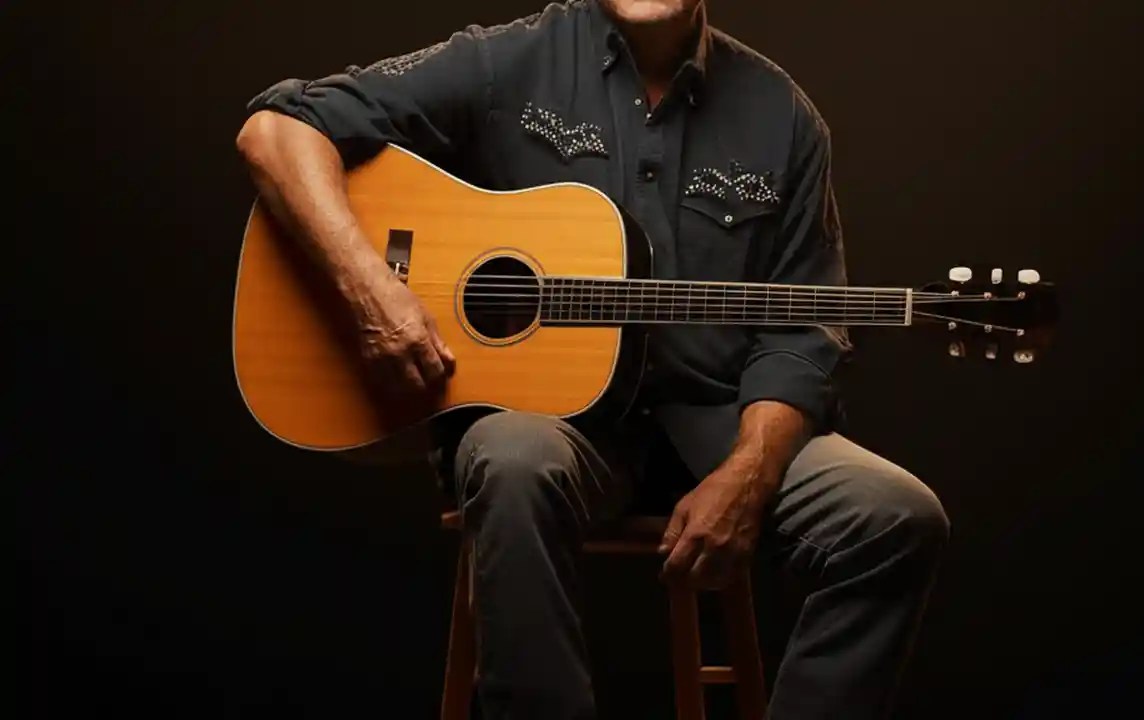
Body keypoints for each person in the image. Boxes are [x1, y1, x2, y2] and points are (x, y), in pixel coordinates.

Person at [235, 1, 949, 717]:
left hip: (717, 426)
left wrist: (751, 473)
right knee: (511, 456)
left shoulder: (783, 115)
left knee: (895, 516)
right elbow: (275, 131)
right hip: (553, 429)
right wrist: (370, 294)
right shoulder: (504, 61)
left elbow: (804, 334)